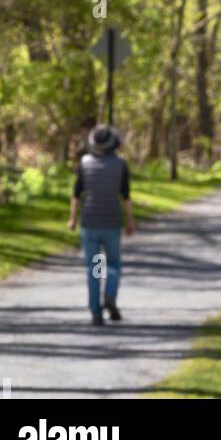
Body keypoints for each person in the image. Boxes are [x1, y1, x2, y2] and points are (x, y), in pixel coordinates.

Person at [67, 124, 134, 327]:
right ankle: (110, 295)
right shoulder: (120, 164)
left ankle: (96, 311)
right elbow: (126, 195)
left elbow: (76, 194)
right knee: (112, 264)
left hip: (90, 223)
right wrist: (129, 220)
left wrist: (73, 219)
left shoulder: (84, 163)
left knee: (96, 266)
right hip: (112, 223)